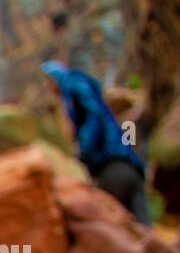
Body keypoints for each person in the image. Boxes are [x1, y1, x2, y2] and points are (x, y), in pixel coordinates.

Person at [42, 61, 151, 225]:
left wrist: (83, 151)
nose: (50, 88)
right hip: (131, 168)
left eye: (49, 82)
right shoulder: (77, 88)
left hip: (110, 168)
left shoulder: (74, 85)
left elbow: (93, 116)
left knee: (106, 226)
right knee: (143, 231)